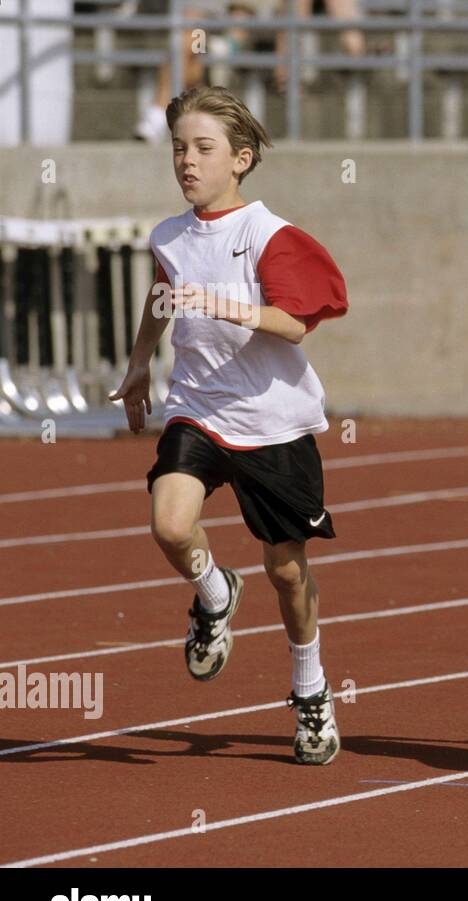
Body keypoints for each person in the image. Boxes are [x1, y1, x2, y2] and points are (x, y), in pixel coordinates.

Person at [111, 85, 350, 765]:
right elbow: (163, 296)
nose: (187, 161)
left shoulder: (268, 236)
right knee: (168, 523)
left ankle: (312, 693)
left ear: (241, 159)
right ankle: (214, 595)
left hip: (273, 423)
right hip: (199, 409)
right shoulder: (170, 235)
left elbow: (295, 324)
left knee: (286, 571)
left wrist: (224, 305)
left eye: (203, 148)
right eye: (179, 148)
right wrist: (138, 366)